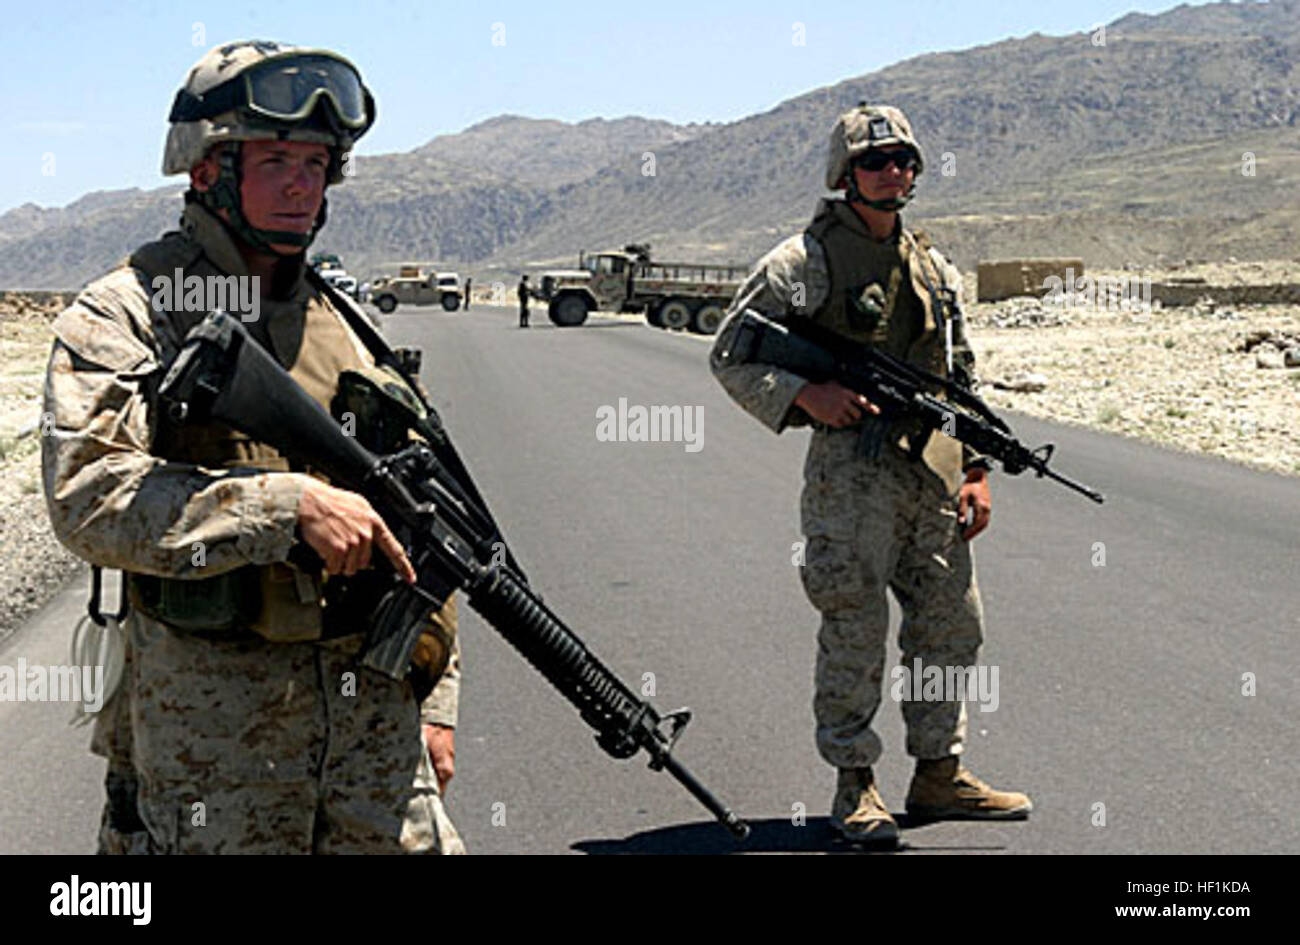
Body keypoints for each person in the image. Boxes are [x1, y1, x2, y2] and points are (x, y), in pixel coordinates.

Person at [42, 40, 464, 854]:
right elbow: (87, 494)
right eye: (276, 158)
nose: (303, 182)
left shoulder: (352, 328)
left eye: (317, 161)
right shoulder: (131, 311)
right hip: (216, 762)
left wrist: (438, 704)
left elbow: (435, 530)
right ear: (207, 171)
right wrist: (285, 505)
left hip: (376, 764)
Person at [710, 104, 1031, 848]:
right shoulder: (801, 262)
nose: (894, 172)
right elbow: (732, 353)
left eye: (905, 160)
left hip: (932, 475)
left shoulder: (931, 265)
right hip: (851, 477)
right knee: (855, 626)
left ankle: (938, 771)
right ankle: (854, 782)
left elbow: (959, 375)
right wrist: (804, 395)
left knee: (952, 627)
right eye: (876, 160)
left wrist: (976, 468)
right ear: (843, 173)